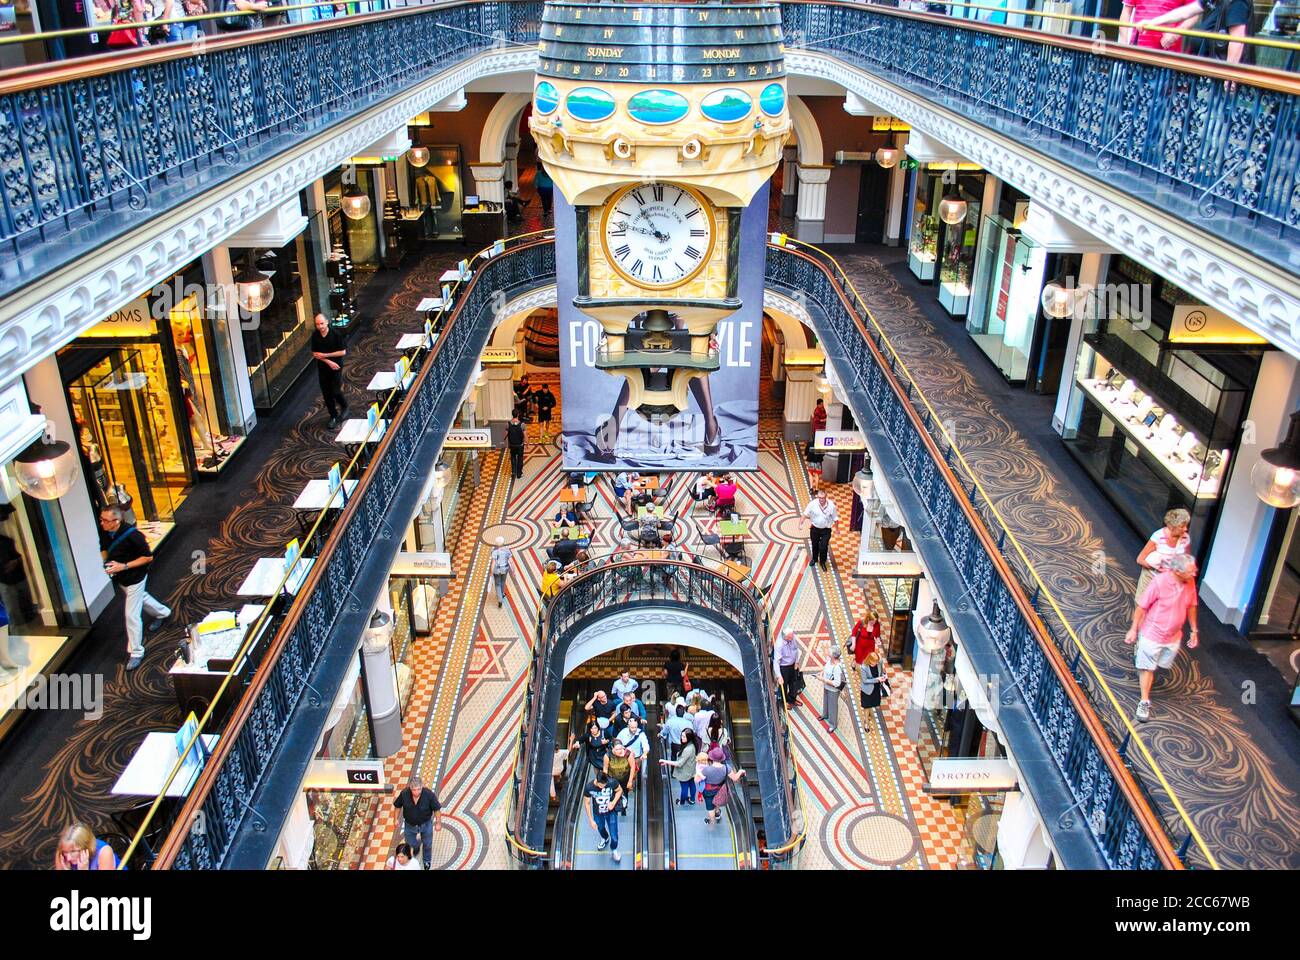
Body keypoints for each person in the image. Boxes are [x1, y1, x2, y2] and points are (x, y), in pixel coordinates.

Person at [1125, 553, 1199, 723]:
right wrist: (1133, 630)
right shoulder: (1160, 582)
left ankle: (1142, 662)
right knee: (1147, 667)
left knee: (1160, 664)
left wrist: (1194, 630)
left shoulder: (1190, 583)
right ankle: (1144, 701)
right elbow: (1142, 607)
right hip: (1153, 633)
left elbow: (1192, 605)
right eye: (1190, 571)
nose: (1194, 574)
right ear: (1178, 571)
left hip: (1173, 636)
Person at [100, 505, 171, 670]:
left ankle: (136, 651)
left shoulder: (134, 536)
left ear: (116, 521)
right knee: (142, 598)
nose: (102, 523)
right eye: (101, 519)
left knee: (131, 615)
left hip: (135, 577)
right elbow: (103, 547)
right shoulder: (104, 531)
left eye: (105, 520)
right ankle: (163, 612)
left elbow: (147, 557)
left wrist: (123, 566)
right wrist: (108, 563)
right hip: (121, 578)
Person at [1138, 0, 1251, 62]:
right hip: (1211, 65)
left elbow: (1237, 38)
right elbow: (1186, 12)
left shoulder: (1237, 2)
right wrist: (1154, 22)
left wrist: (1229, 74)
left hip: (1222, 71)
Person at [1135, 508, 1192, 599]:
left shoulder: (1185, 539)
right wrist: (1158, 567)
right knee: (1142, 605)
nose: (1185, 529)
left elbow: (1185, 559)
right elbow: (1140, 559)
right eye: (1182, 526)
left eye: (1186, 526)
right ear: (1172, 526)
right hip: (1151, 577)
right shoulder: (1158, 536)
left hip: (1169, 581)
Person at [392, 775, 442, 870]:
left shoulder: (428, 795)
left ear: (422, 787)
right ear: (410, 788)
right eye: (414, 790)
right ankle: (417, 845)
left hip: (426, 824)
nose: (416, 792)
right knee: (410, 843)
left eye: (419, 789)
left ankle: (426, 861)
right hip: (410, 825)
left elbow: (437, 809)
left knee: (427, 844)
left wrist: (438, 823)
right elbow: (397, 806)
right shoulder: (404, 794)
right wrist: (395, 819)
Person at [310, 313, 349, 428]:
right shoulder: (315, 336)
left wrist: (326, 356)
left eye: (322, 323)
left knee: (335, 391)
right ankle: (333, 416)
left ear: (327, 322)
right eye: (317, 324)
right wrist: (328, 361)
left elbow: (342, 352)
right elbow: (315, 354)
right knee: (326, 394)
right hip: (323, 368)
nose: (320, 326)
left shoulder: (336, 334)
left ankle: (344, 406)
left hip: (336, 366)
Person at [695, 747, 745, 827]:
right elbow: (735, 778)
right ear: (722, 758)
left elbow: (697, 780)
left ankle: (712, 823)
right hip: (720, 789)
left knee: (710, 807)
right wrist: (740, 772)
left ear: (711, 758)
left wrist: (698, 772)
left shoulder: (706, 770)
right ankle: (717, 812)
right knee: (717, 799)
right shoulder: (726, 768)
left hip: (708, 791)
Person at [583, 770, 623, 863]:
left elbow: (619, 790)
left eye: (605, 785)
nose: (604, 786)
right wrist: (591, 820)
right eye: (602, 785)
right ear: (597, 781)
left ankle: (614, 850)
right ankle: (605, 838)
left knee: (614, 835)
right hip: (598, 813)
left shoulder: (612, 782)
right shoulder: (589, 787)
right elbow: (587, 803)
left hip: (611, 812)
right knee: (600, 828)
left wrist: (613, 803)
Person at [1119, 0, 1192, 51]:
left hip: (1169, 51)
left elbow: (1193, 14)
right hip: (1138, 48)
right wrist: (1123, 43)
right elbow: (1126, 11)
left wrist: (1175, 34)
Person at [660, 728, 700, 805]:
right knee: (692, 785)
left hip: (684, 772)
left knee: (684, 788)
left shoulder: (688, 749)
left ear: (689, 737)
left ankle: (681, 802)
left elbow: (679, 763)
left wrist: (666, 762)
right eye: (682, 736)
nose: (682, 738)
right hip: (691, 770)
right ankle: (692, 799)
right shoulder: (693, 745)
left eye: (684, 737)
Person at [53, 823, 118, 870]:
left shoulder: (105, 853)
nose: (68, 858)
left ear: (86, 846)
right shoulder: (62, 851)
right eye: (65, 852)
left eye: (73, 851)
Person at [801, 487, 838, 571]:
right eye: (819, 498)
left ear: (826, 497)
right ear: (817, 497)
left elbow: (835, 518)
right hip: (815, 529)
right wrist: (801, 522)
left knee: (823, 546)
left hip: (826, 530)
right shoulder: (813, 504)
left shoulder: (831, 506)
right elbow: (805, 513)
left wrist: (837, 529)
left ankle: (822, 562)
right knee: (815, 544)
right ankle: (814, 559)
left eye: (823, 498)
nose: (821, 499)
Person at [603, 738, 636, 812]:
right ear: (613, 748)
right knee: (613, 793)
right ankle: (614, 807)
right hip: (612, 779)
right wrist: (604, 781)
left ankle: (623, 807)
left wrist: (630, 781)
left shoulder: (628, 754)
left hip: (624, 778)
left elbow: (632, 767)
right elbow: (605, 769)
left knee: (624, 792)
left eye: (621, 748)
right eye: (617, 749)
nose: (619, 751)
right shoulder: (608, 756)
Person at [818, 646, 846, 733]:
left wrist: (823, 679)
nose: (827, 652)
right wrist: (821, 673)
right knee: (826, 701)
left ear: (833, 656)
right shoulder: (829, 660)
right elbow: (825, 667)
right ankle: (825, 714)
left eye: (829, 652)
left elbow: (837, 683)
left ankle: (832, 724)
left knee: (833, 706)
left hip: (833, 690)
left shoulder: (837, 667)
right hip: (826, 686)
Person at [774, 627, 802, 707]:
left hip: (793, 665)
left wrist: (796, 662)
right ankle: (784, 702)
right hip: (784, 667)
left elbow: (796, 650)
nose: (792, 638)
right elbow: (776, 662)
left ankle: (792, 699)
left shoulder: (792, 638)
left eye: (792, 636)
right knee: (784, 685)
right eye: (790, 637)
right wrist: (779, 676)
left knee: (794, 683)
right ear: (785, 637)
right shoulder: (779, 645)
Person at [489, 536, 511, 608]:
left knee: (497, 584)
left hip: (496, 570)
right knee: (503, 582)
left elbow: (493, 563)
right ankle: (502, 594)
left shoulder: (494, 552)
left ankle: (500, 599)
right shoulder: (507, 550)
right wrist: (514, 571)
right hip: (504, 569)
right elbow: (511, 561)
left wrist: (491, 572)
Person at [506, 415, 526, 479]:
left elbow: (506, 434)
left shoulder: (508, 424)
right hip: (520, 445)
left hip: (512, 445)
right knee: (520, 458)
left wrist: (506, 442)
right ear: (518, 415)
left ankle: (513, 472)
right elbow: (525, 435)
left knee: (513, 457)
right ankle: (519, 474)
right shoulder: (522, 424)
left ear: (512, 415)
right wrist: (527, 443)